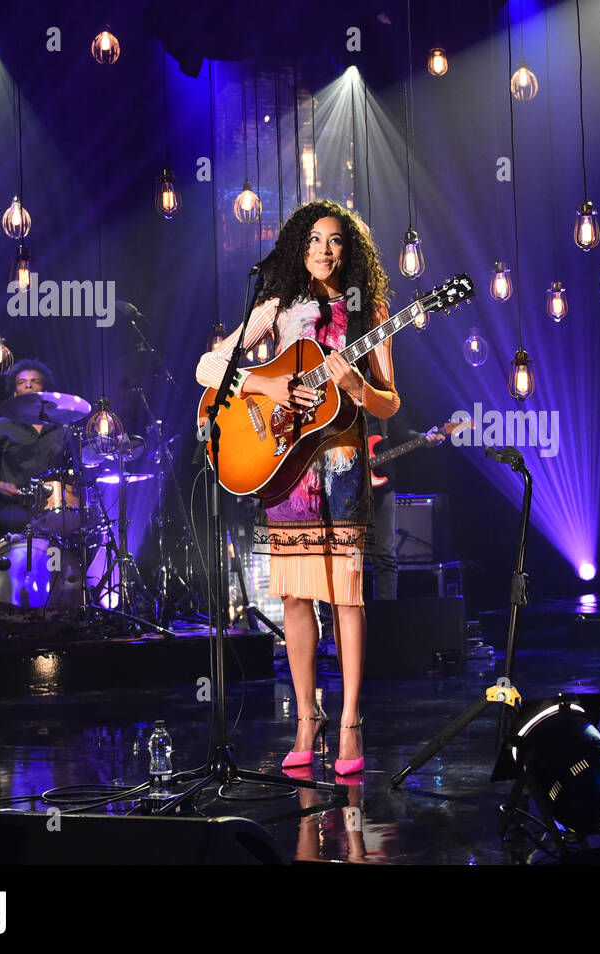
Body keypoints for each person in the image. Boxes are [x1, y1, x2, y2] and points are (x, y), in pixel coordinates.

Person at [195, 199, 398, 775]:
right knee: (294, 597)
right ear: (296, 246)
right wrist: (269, 385)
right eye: (313, 240)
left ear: (349, 250)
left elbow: (391, 401)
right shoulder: (276, 307)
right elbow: (210, 368)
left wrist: (357, 388)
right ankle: (307, 719)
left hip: (341, 466)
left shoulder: (370, 313)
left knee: (346, 597)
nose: (324, 250)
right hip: (285, 464)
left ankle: (352, 721)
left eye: (335, 240)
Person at [0, 359, 76, 533]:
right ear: (15, 394)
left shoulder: (62, 429)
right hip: (13, 507)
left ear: (45, 391)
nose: (29, 385)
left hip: (53, 505)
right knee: (14, 521)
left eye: (35, 381)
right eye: (22, 382)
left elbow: (73, 470)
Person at [366, 407, 445, 600]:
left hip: (381, 480)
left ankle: (387, 616)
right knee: (344, 555)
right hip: (341, 478)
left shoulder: (383, 390)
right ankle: (336, 623)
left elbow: (400, 430)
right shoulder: (337, 388)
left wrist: (423, 438)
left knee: (385, 554)